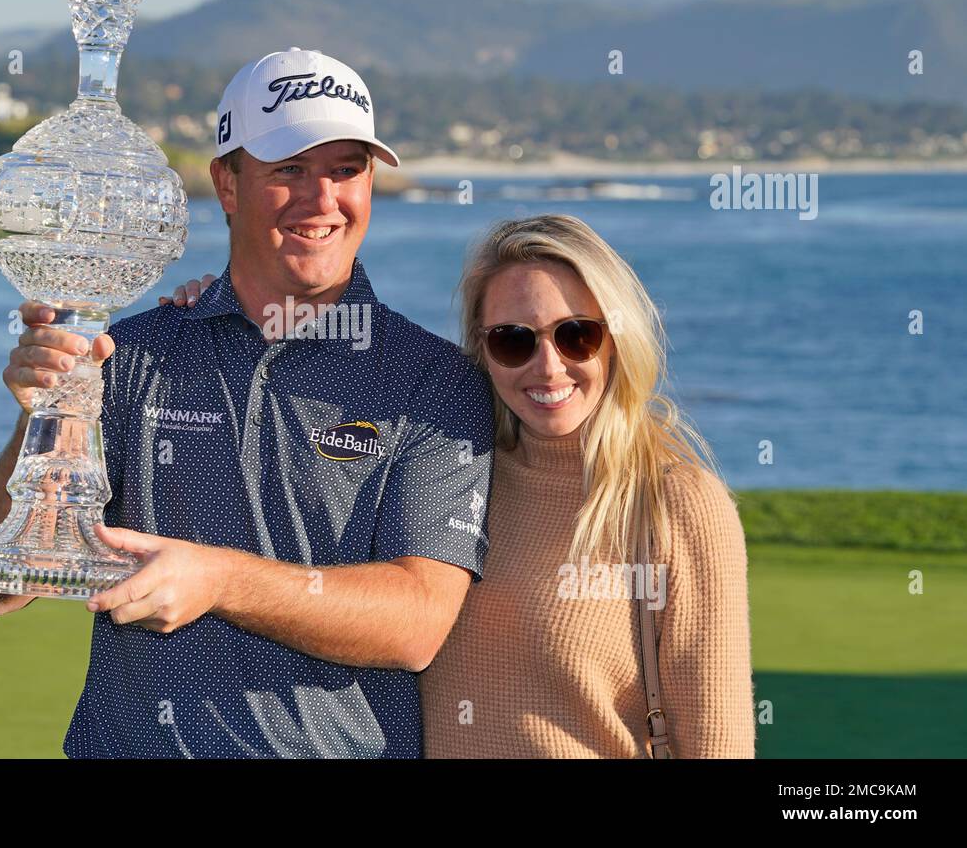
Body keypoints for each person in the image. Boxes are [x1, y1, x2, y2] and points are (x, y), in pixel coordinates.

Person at [0, 47, 495, 758]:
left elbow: (416, 623)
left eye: (347, 169)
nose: (323, 199)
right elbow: (4, 588)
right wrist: (44, 412)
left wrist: (219, 580)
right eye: (289, 170)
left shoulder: (433, 382)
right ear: (227, 184)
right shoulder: (132, 357)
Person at [165, 215, 757, 757]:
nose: (547, 366)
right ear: (482, 348)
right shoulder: (450, 470)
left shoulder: (676, 503)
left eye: (577, 335)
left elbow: (719, 745)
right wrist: (226, 310)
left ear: (618, 336)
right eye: (513, 340)